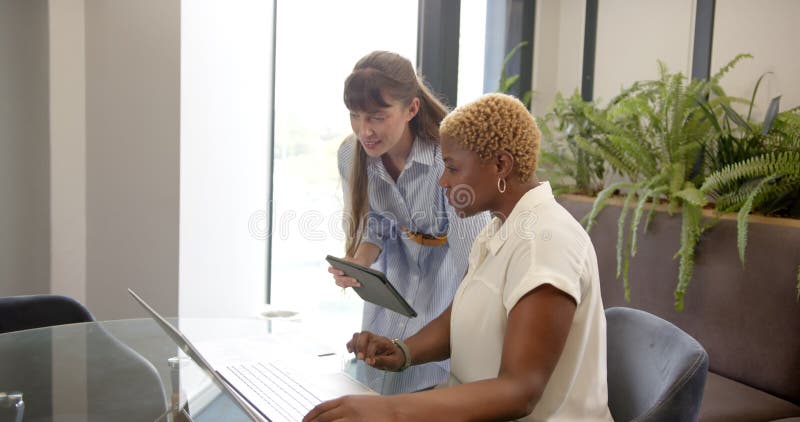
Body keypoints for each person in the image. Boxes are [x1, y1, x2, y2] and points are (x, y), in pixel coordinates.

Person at [308, 93, 613, 421]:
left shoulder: (545, 244)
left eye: (452, 168)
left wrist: (390, 410)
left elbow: (520, 392)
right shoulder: (498, 229)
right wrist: (403, 352)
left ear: (501, 165)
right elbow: (461, 317)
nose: (443, 181)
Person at [329, 51, 489, 394]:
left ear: (411, 109)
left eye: (377, 116)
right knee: (379, 381)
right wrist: (357, 265)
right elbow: (375, 228)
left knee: (431, 384)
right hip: (396, 287)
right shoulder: (351, 155)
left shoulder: (447, 161)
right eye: (355, 116)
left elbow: (473, 261)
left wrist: (457, 325)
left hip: (450, 286)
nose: (364, 130)